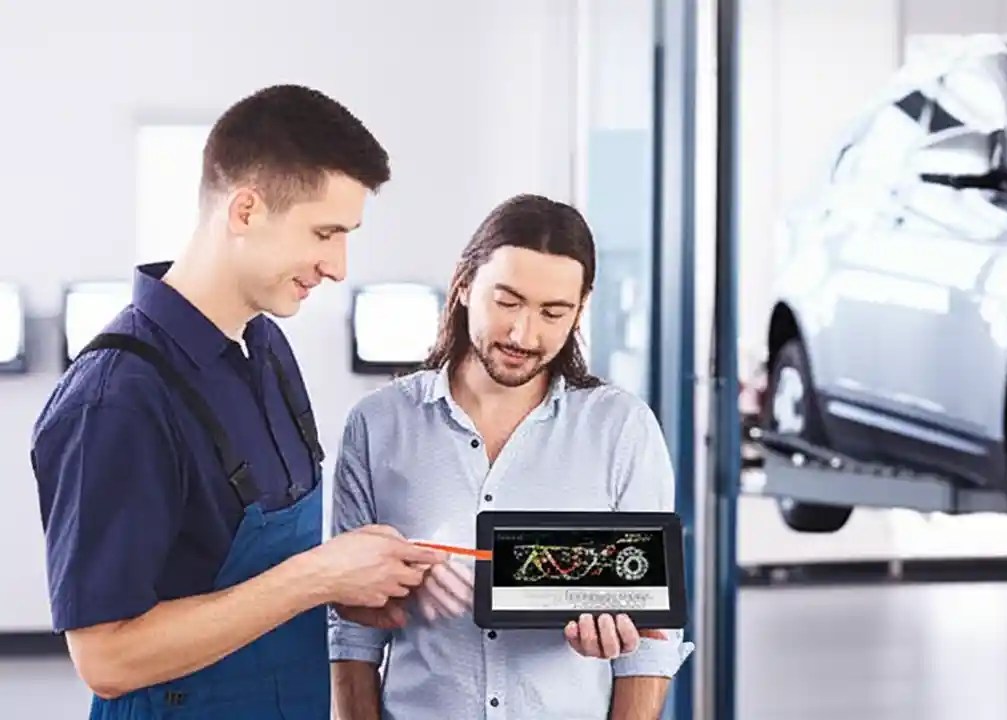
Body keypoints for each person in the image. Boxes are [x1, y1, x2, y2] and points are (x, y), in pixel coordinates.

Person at [29, 84, 446, 719]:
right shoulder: (117, 398)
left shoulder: (266, 345)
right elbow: (106, 660)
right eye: (325, 232)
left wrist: (353, 588)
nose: (337, 265)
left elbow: (258, 580)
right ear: (246, 210)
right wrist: (320, 577)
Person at [328, 194, 694, 719]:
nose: (525, 334)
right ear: (463, 285)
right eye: (507, 302)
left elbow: (653, 644)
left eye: (553, 312)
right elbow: (350, 632)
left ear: (580, 309)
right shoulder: (376, 424)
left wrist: (624, 634)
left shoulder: (622, 428)